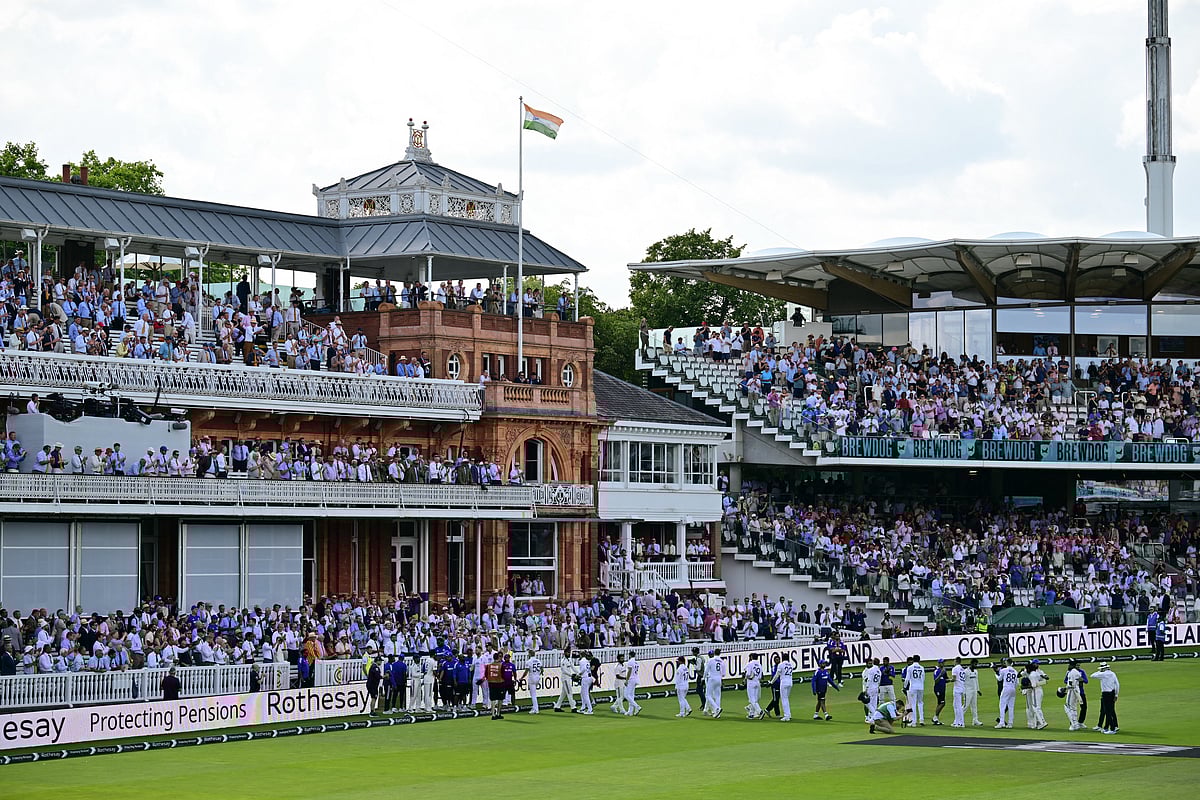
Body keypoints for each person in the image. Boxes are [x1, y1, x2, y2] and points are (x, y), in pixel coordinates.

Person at [1091, 662, 1120, 734]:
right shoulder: (1113, 673)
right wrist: (1116, 695)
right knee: (1111, 710)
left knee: (1107, 711)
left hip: (1106, 694)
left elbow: (1092, 675)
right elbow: (1117, 684)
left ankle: (1112, 728)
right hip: (1112, 693)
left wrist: (1100, 671)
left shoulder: (1103, 674)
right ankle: (1108, 727)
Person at [1061, 659, 1088, 731]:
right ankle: (1075, 724)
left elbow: (1071, 684)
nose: (1068, 666)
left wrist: (1065, 689)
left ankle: (1073, 725)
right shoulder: (1077, 672)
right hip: (1077, 690)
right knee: (1074, 708)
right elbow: (1079, 680)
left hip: (1072, 691)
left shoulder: (1071, 672)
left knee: (1067, 707)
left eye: (1069, 665)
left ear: (1072, 665)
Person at [994, 657, 1019, 729]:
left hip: (1006, 688)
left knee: (1002, 706)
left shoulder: (1004, 670)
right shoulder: (1015, 671)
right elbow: (1017, 683)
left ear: (1006, 663)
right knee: (1011, 707)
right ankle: (1010, 723)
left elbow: (999, 679)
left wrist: (995, 675)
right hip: (1013, 689)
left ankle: (1001, 723)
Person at [1023, 660, 1048, 730]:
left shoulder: (1032, 675)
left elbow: (1033, 685)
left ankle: (1042, 722)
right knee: (1037, 707)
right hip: (1040, 690)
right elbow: (1043, 681)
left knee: (1036, 708)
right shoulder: (1036, 673)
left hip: (1035, 691)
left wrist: (1024, 687)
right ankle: (1039, 722)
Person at [902, 655, 926, 726]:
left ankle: (914, 721)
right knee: (920, 703)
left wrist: (904, 687)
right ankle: (921, 719)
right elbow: (923, 678)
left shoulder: (910, 667)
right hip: (920, 687)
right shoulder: (922, 668)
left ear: (913, 660)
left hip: (913, 687)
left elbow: (907, 679)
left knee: (913, 704)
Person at [704, 647, 726, 718]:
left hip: (712, 678)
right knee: (718, 696)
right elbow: (723, 674)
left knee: (708, 695)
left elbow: (706, 671)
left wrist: (703, 678)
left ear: (714, 653)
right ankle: (717, 714)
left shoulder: (711, 660)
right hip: (719, 679)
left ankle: (717, 708)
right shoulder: (722, 661)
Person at [554, 647, 577, 712]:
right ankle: (573, 707)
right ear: (565, 653)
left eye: (569, 652)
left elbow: (573, 667)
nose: (569, 653)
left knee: (563, 694)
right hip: (565, 679)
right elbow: (564, 671)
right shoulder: (563, 661)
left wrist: (578, 673)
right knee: (569, 692)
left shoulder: (569, 660)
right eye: (568, 652)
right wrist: (571, 675)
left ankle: (557, 706)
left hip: (568, 678)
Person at [485, 650, 506, 720]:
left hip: (491, 683)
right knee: (500, 699)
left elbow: (486, 675)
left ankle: (493, 714)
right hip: (500, 683)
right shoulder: (501, 665)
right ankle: (498, 713)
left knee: (493, 699)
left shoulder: (489, 665)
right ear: (499, 658)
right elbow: (504, 675)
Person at [744, 652, 764, 719]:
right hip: (757, 682)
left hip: (751, 682)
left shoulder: (750, 664)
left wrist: (745, 679)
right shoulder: (759, 664)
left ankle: (760, 711)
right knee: (755, 699)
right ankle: (751, 714)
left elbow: (748, 674)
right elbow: (761, 676)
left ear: (751, 657)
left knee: (752, 700)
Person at [861, 657, 882, 722]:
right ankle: (871, 718)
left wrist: (867, 689)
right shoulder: (878, 671)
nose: (870, 664)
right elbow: (878, 681)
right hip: (874, 688)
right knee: (872, 704)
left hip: (870, 688)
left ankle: (874, 716)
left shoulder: (871, 670)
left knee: (868, 703)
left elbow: (869, 680)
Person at [964, 658, 983, 727]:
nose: (976, 665)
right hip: (967, 691)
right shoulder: (965, 671)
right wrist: (963, 691)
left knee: (974, 706)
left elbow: (976, 681)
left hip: (974, 691)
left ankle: (975, 720)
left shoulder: (976, 671)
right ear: (971, 663)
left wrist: (978, 690)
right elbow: (963, 681)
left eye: (976, 664)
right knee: (966, 706)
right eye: (975, 664)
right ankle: (959, 719)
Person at [951, 656, 968, 727]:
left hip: (957, 688)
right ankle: (956, 721)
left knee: (958, 706)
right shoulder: (962, 669)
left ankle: (961, 723)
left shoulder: (955, 668)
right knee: (955, 705)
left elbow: (954, 679)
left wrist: (947, 680)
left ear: (956, 661)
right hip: (962, 687)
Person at [524, 648, 543, 714]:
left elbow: (526, 671)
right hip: (537, 677)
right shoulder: (538, 660)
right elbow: (542, 669)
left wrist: (521, 678)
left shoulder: (528, 662)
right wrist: (539, 674)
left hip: (532, 677)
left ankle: (536, 709)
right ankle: (534, 707)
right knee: (534, 693)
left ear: (529, 654)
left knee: (533, 695)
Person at [624, 651, 642, 716]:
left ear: (629, 655)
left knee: (626, 695)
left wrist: (626, 680)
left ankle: (637, 706)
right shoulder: (636, 662)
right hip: (636, 679)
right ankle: (630, 711)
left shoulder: (630, 662)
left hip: (631, 679)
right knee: (631, 696)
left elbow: (629, 671)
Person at [931, 658, 948, 725]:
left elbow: (945, 679)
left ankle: (936, 719)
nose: (943, 664)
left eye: (943, 662)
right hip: (938, 689)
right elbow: (936, 681)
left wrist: (951, 680)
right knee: (942, 703)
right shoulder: (937, 671)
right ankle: (935, 717)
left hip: (943, 689)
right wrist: (941, 674)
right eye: (942, 662)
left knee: (940, 703)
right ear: (939, 663)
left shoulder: (944, 670)